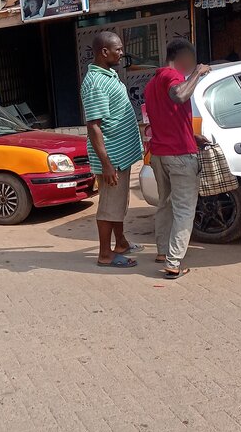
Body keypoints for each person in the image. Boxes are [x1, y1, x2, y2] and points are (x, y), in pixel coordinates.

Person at [144, 40, 211, 279]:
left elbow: (166, 119)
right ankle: (173, 262)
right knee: (184, 209)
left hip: (161, 155)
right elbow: (179, 96)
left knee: (166, 204)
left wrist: (192, 135)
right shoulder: (173, 77)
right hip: (180, 156)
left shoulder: (151, 84)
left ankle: (163, 251)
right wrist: (197, 73)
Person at [81, 31, 144, 268]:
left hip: (120, 154)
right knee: (109, 207)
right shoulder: (95, 83)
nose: (121, 53)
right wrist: (107, 164)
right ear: (103, 52)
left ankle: (121, 243)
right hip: (112, 158)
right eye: (117, 49)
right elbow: (94, 126)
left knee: (118, 204)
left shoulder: (107, 74)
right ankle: (105, 255)